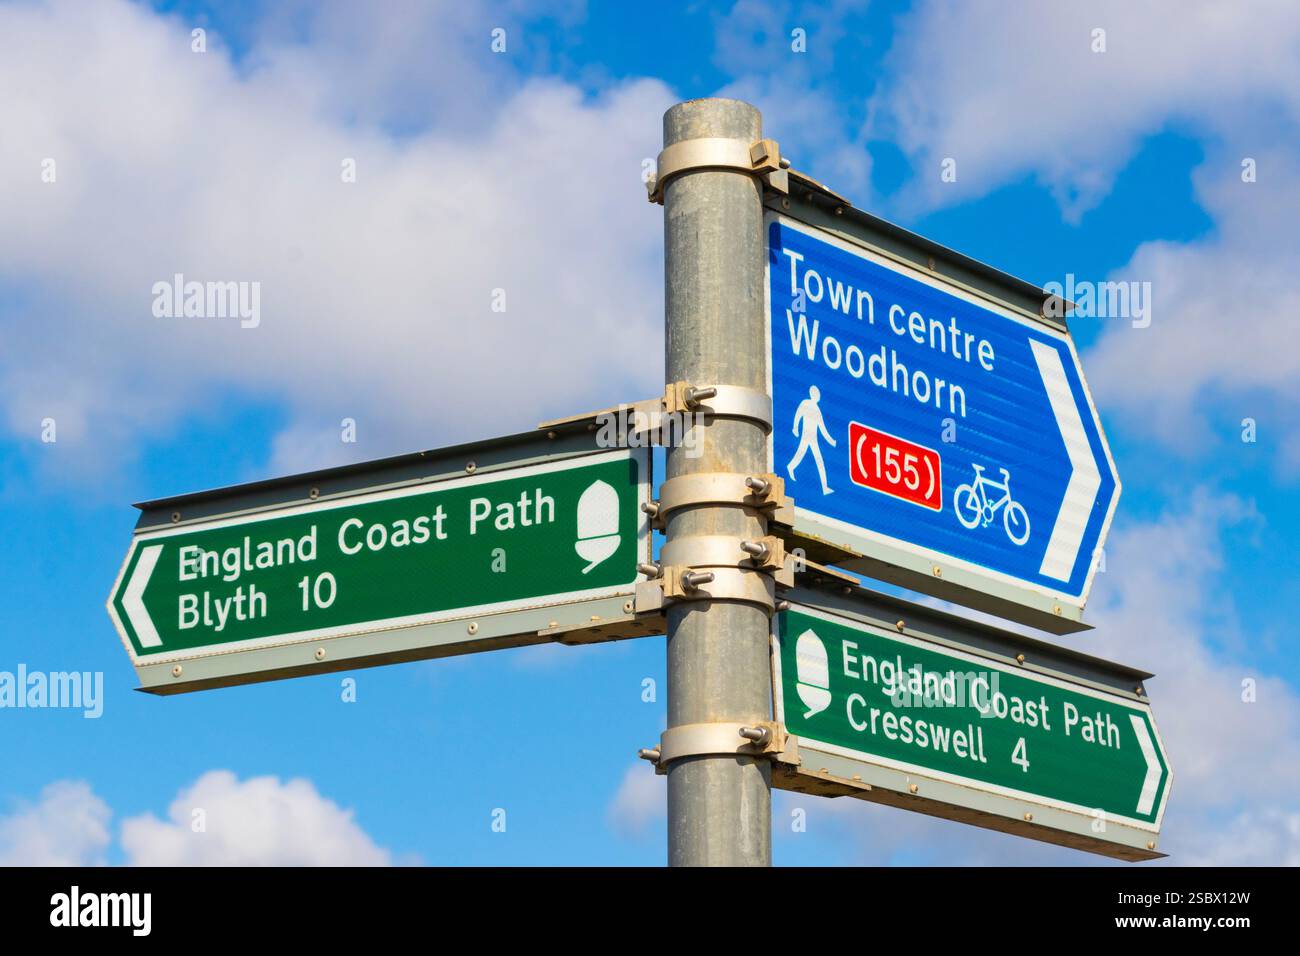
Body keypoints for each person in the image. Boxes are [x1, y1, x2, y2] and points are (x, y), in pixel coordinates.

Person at [787, 385, 835, 494]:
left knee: (817, 460)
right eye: (817, 394)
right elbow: (798, 414)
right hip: (806, 436)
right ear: (812, 394)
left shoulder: (817, 410)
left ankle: (825, 487)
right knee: (803, 455)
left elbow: (822, 428)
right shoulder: (806, 403)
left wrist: (831, 441)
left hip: (813, 439)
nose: (818, 396)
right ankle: (790, 467)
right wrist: (795, 427)